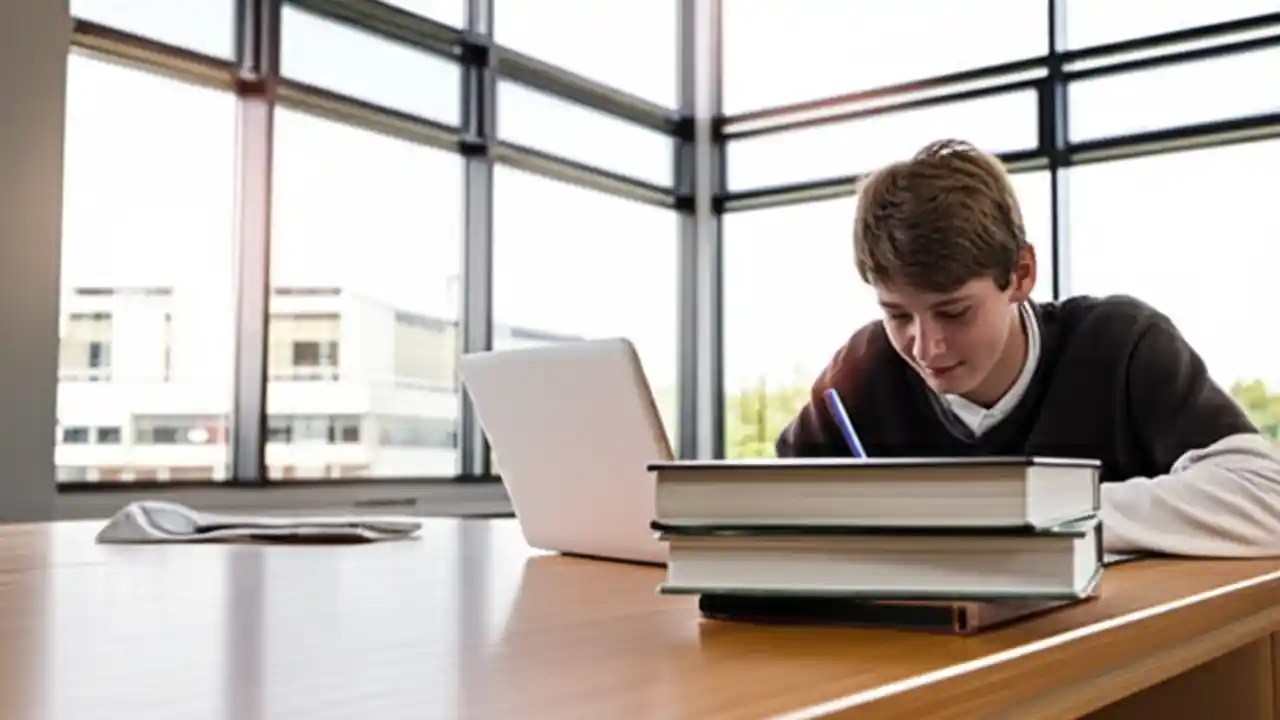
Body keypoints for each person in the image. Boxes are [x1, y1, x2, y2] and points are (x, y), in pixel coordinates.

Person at [775, 138, 1280, 557]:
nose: (925, 346)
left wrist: (1027, 514)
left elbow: (1266, 496)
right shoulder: (863, 371)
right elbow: (769, 514)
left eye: (954, 312)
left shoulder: (1120, 344)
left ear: (1021, 275)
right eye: (897, 314)